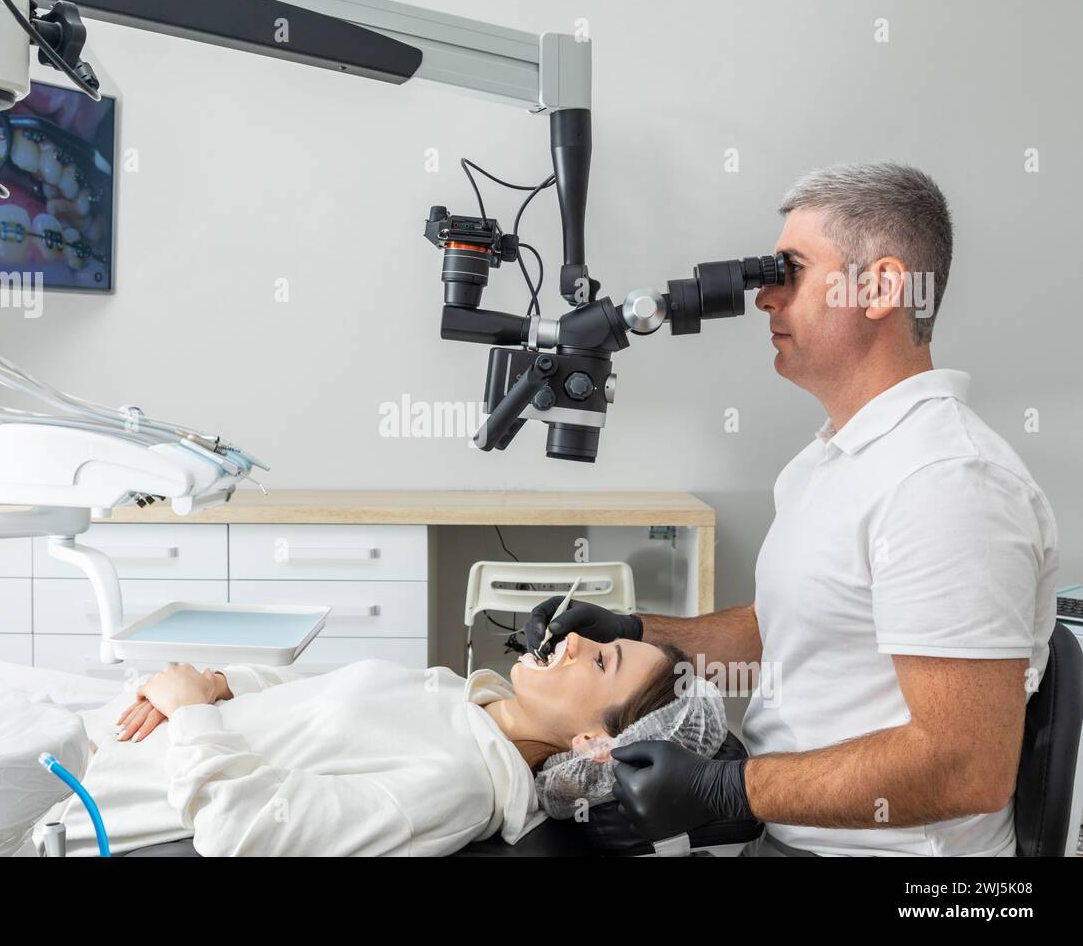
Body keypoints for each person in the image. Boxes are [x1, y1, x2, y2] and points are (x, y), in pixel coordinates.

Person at [526, 162, 1058, 857]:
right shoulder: (829, 461)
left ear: (881, 287)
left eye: (791, 271)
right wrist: (637, 630)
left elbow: (966, 767)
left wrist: (728, 791)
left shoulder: (947, 483)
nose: (764, 299)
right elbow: (782, 626)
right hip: (790, 838)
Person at [54, 635, 687, 856]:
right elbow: (314, 693)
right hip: (104, 727)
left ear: (592, 742)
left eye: (601, 661)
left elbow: (246, 831)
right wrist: (219, 684)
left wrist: (190, 712)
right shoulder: (461, 696)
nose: (574, 637)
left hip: (72, 802)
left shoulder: (456, 784)